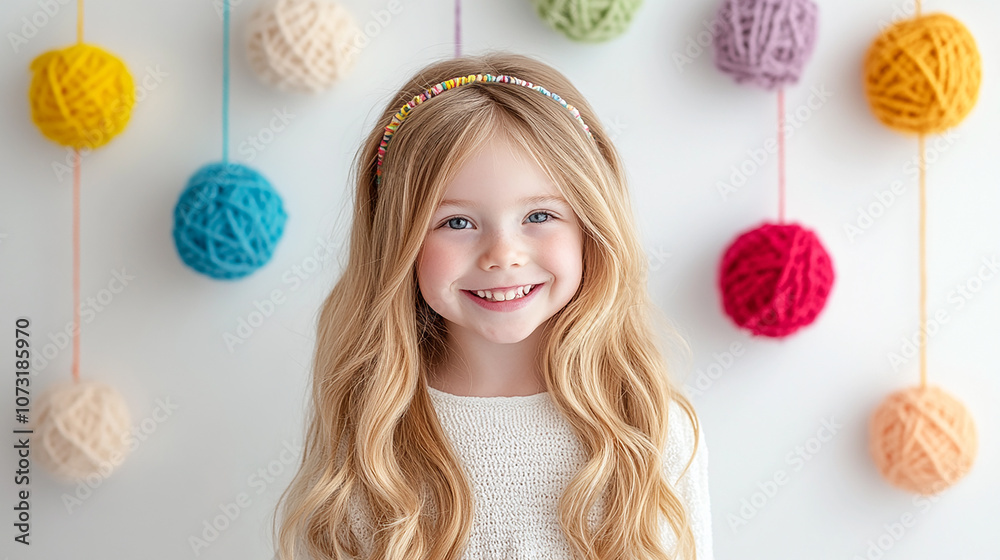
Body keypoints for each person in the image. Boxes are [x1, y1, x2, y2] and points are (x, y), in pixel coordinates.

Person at [271, 51, 714, 560]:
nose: (503, 254)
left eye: (540, 214)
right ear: (399, 242)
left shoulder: (652, 430)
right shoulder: (369, 437)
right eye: (457, 222)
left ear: (592, 226)